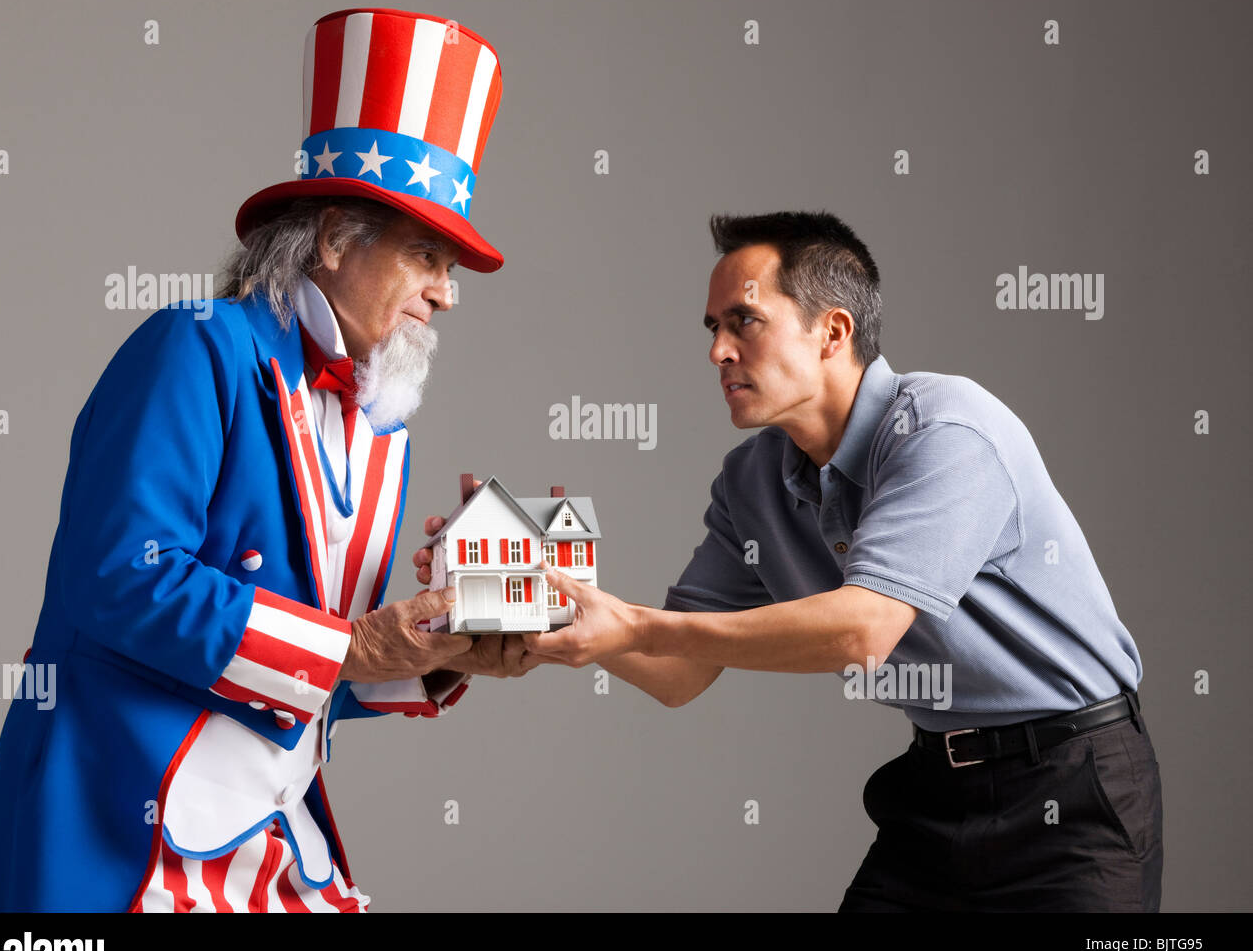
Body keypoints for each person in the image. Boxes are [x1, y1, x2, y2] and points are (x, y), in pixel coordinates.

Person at [416, 209, 1164, 912]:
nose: (716, 350)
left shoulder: (947, 428)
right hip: (935, 791)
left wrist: (636, 624)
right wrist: (553, 612)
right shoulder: (753, 481)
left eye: (744, 321)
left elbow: (861, 633)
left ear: (832, 332)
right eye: (713, 328)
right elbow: (680, 672)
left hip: (1075, 787)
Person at [0, 8, 539, 914]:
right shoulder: (192, 347)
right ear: (334, 240)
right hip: (126, 832)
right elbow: (118, 577)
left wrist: (436, 649)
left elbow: (300, 675)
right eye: (428, 255)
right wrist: (353, 643)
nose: (446, 293)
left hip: (271, 839)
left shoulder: (382, 420)